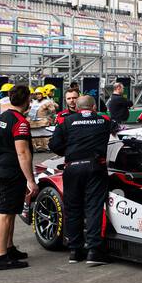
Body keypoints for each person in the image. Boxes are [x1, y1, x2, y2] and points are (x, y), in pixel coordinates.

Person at [48, 95, 119, 266]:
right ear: (94, 107)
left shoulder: (66, 121)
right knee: (93, 208)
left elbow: (53, 145)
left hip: (72, 167)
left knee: (73, 208)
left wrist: (71, 150)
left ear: (77, 108)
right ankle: (94, 251)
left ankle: (75, 251)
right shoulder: (104, 120)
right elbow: (120, 133)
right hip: (95, 167)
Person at [0, 84, 37, 270]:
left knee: (10, 211)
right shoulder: (20, 122)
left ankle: (8, 248)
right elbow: (22, 153)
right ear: (27, 100)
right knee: (5, 214)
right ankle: (0, 257)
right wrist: (31, 181)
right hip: (11, 172)